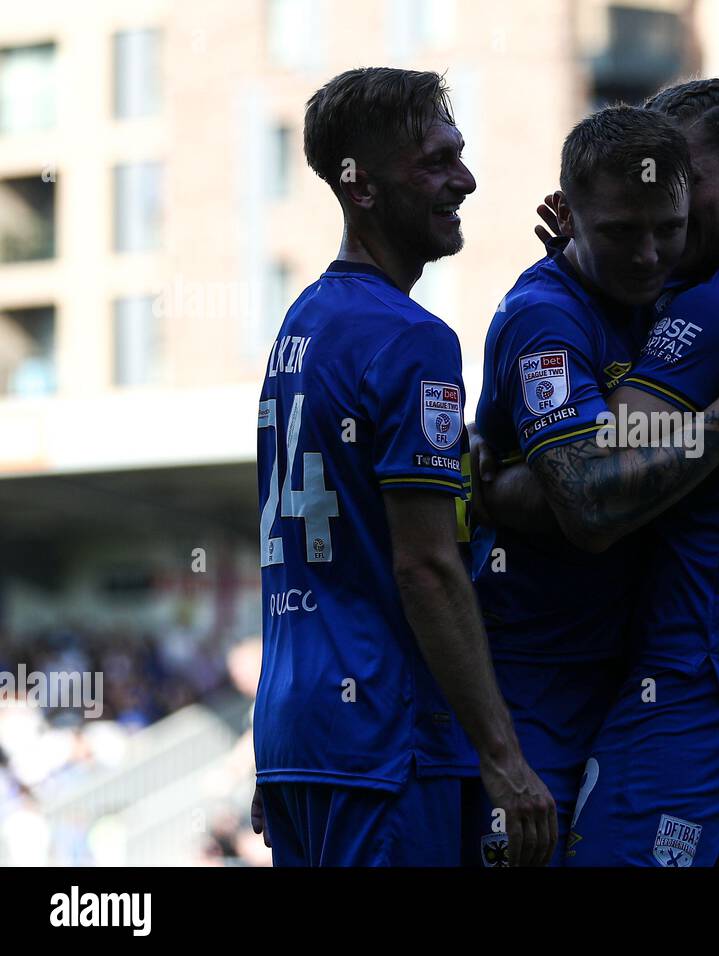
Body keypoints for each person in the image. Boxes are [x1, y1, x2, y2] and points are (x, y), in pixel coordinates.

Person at [469, 103, 719, 864]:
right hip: (538, 681)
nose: (647, 254)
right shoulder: (546, 320)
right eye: (619, 232)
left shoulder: (686, 293)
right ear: (568, 217)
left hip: (666, 675)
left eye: (666, 227)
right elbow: (590, 503)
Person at [251, 67, 555, 867]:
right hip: (389, 742)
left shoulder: (303, 324)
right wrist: (503, 757)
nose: (466, 178)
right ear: (364, 188)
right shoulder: (413, 338)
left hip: (302, 737)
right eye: (435, 161)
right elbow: (424, 567)